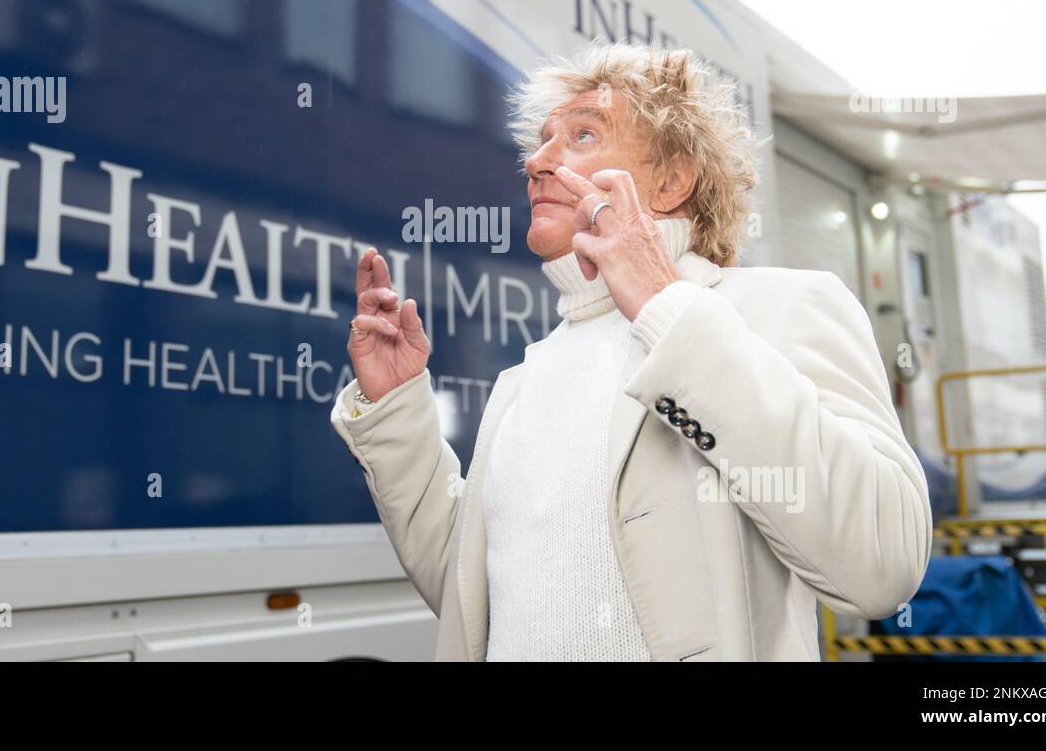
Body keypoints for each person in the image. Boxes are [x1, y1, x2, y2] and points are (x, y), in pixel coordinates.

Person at [330, 40, 932, 661]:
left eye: (584, 135)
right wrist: (396, 406)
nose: (537, 162)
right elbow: (469, 597)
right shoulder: (524, 379)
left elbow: (882, 564)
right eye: (540, 141)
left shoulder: (783, 309)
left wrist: (665, 308)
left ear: (671, 182)